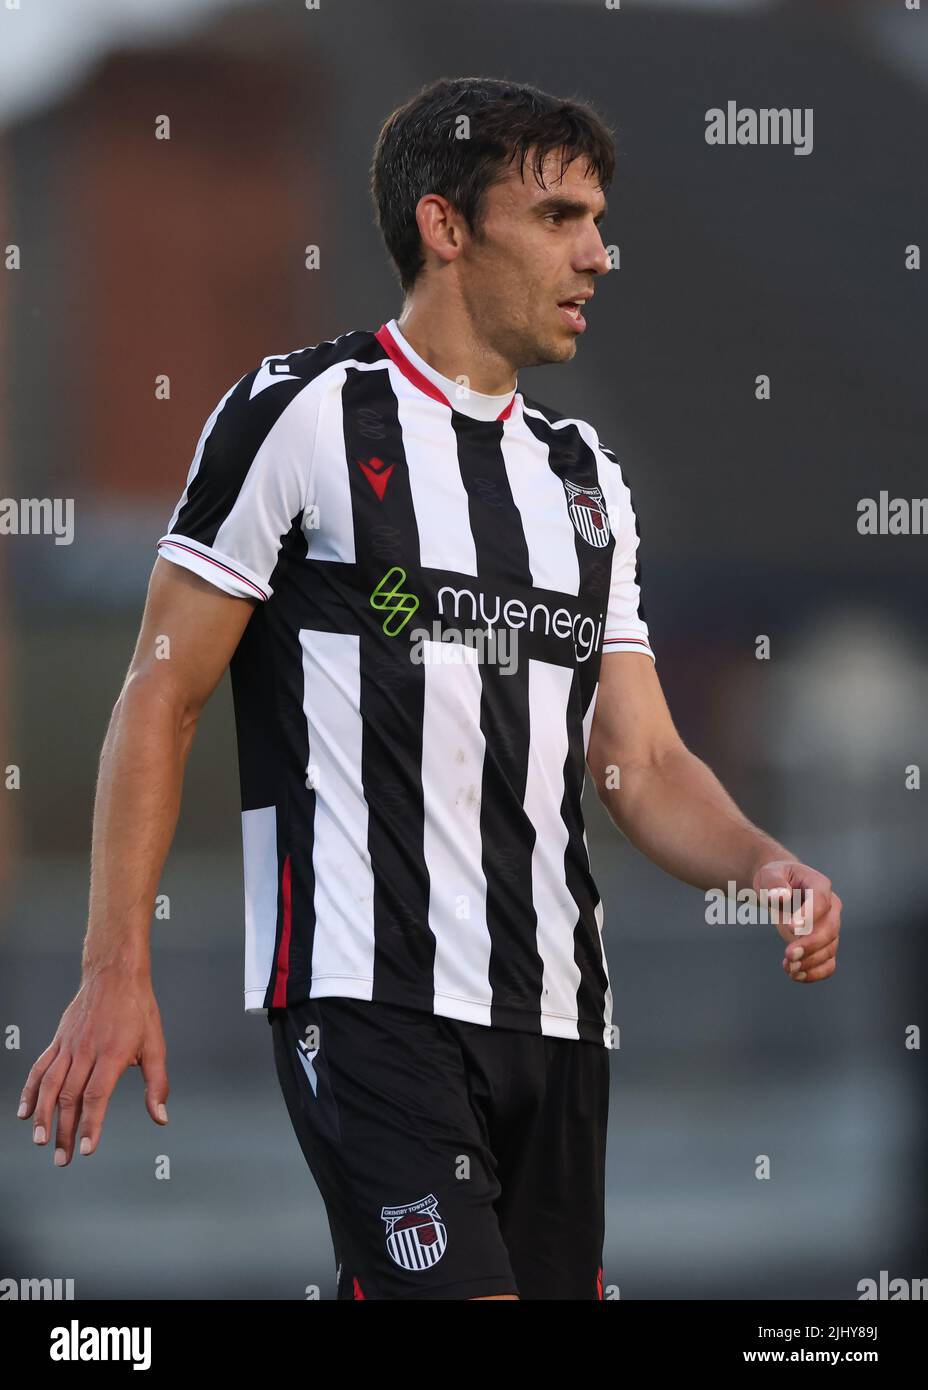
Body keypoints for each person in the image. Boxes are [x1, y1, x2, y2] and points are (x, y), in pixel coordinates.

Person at [16, 77, 841, 1300]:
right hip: (366, 993)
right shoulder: (298, 416)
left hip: (559, 1013)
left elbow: (644, 761)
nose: (598, 254)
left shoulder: (585, 479)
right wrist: (113, 964)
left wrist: (761, 862)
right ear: (445, 225)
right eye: (560, 216)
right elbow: (161, 692)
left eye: (599, 220)